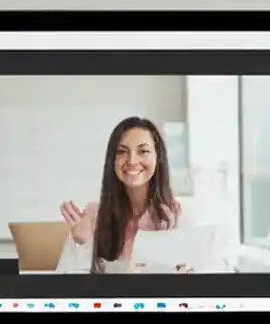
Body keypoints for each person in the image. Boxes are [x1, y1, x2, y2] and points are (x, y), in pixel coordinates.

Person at [56, 117, 187, 274]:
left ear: (158, 157)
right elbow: (65, 283)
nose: (132, 161)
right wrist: (84, 243)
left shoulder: (179, 215)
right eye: (122, 152)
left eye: (143, 151)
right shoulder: (93, 216)